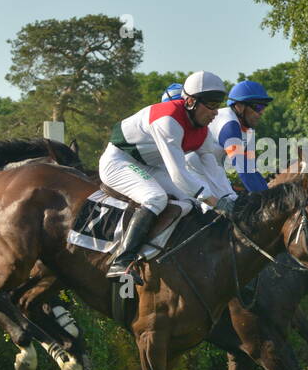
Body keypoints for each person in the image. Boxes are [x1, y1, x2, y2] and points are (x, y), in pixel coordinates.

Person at [99, 71, 235, 281]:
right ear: (190, 101)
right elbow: (178, 174)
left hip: (150, 166)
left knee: (191, 202)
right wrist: (215, 201)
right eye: (211, 105)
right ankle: (122, 261)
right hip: (119, 161)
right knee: (156, 197)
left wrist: (231, 199)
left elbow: (213, 170)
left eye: (218, 105)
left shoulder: (202, 130)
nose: (216, 113)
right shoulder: (168, 120)